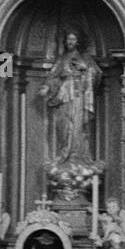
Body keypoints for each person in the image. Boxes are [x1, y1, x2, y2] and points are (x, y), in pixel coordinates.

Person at [43, 31, 100, 164]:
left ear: (78, 41)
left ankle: (77, 155)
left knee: (77, 125)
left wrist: (85, 69)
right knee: (63, 125)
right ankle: (64, 153)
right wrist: (47, 87)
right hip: (64, 96)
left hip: (79, 96)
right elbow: (53, 75)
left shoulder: (85, 58)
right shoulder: (62, 59)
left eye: (73, 39)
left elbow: (96, 73)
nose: (70, 42)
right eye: (68, 39)